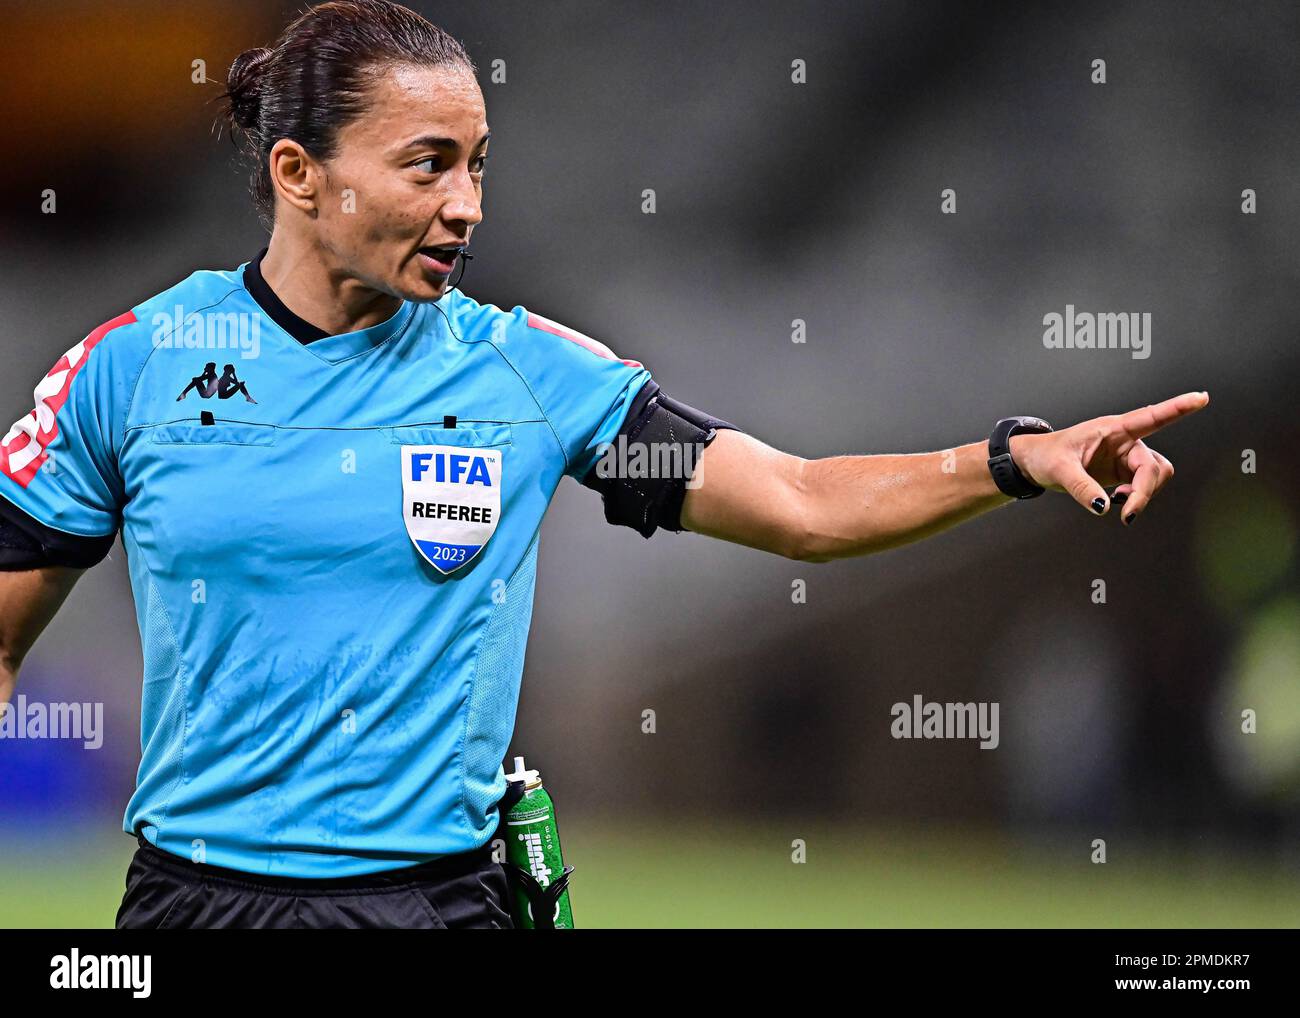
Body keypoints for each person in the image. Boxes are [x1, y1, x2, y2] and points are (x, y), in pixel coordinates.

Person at [0, 0, 1207, 929]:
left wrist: (1011, 458)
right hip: (189, 905)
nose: (467, 203)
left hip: (437, 903)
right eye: (429, 164)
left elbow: (795, 502)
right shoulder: (135, 363)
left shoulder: (528, 374)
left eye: (479, 163)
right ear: (298, 173)